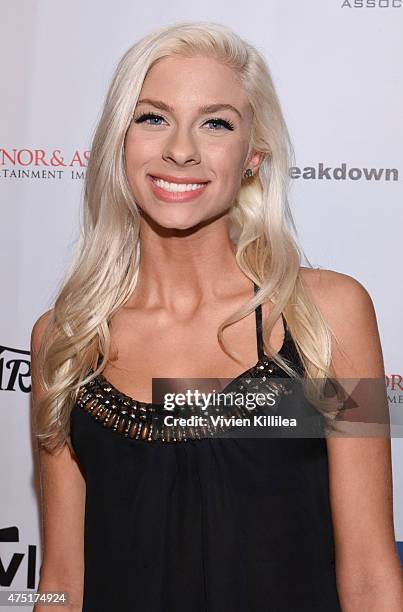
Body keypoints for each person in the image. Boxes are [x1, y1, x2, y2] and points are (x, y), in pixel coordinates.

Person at [30, 21, 403, 612]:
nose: (181, 149)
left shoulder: (326, 316)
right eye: (152, 117)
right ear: (118, 142)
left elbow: (370, 576)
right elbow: (60, 579)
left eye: (216, 122)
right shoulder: (65, 339)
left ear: (253, 155)